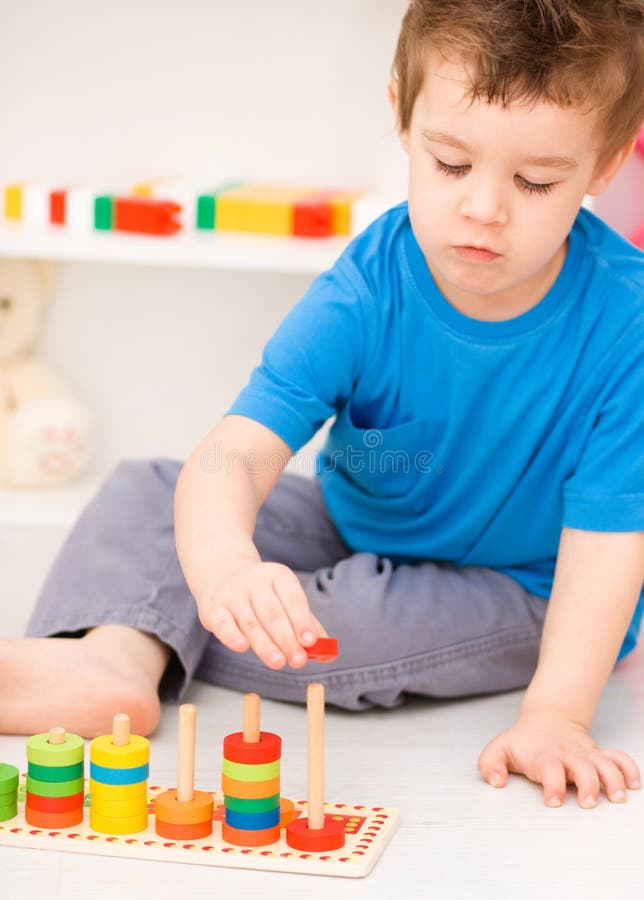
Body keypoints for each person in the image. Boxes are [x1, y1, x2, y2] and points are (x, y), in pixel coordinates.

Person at [3, 0, 643, 809]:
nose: (485, 208)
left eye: (536, 181)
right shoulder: (368, 283)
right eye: (451, 165)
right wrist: (228, 565)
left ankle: (141, 628)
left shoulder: (628, 321)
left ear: (609, 161)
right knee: (155, 491)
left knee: (349, 626)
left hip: (528, 588)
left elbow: (609, 544)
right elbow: (237, 451)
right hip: (355, 525)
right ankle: (112, 664)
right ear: (402, 119)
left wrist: (558, 712)